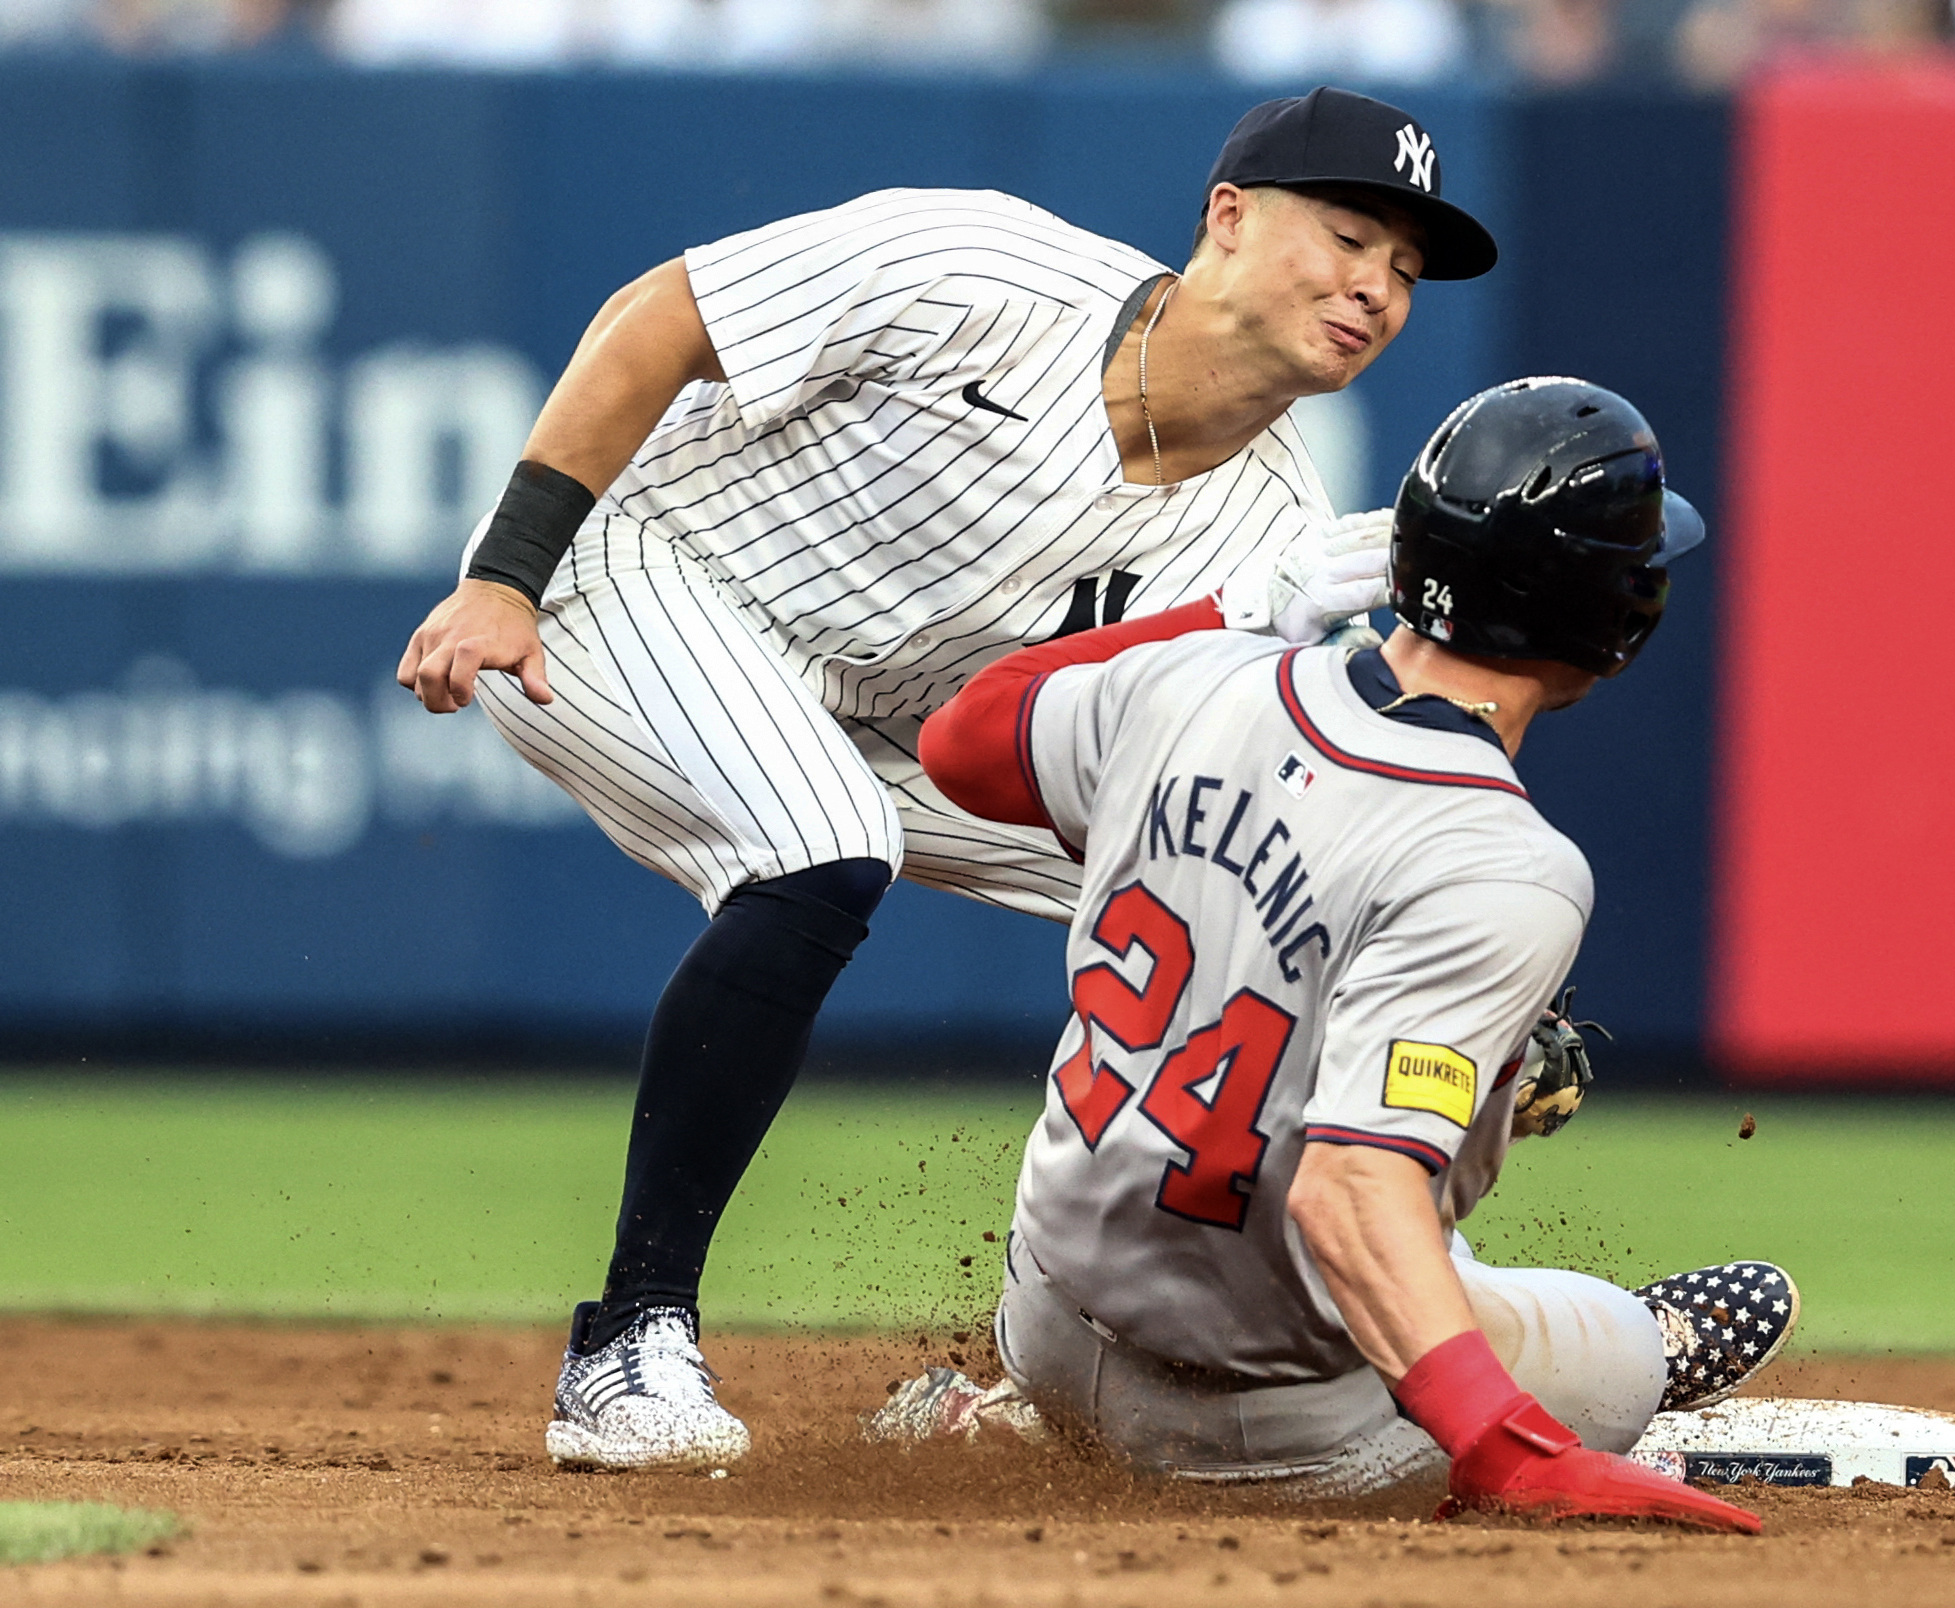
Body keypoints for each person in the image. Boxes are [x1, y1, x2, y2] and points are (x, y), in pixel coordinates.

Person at [393, 85, 1497, 1472]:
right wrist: (506, 576)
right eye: (1347, 235)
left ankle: (1105, 1360)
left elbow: (1168, 763)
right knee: (820, 846)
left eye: (1402, 270)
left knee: (1248, 903)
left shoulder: (1275, 522)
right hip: (636, 578)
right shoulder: (987, 269)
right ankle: (628, 1337)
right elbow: (661, 315)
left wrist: (1406, 932)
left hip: (904, 721)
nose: (1374, 287)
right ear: (1227, 218)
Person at [911, 377, 1793, 1525]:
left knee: (1393, 1165)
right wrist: (1496, 1442)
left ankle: (1009, 1413)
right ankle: (1642, 1354)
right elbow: (1348, 1189)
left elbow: (959, 744)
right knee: (1607, 1351)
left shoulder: (1194, 683)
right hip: (1263, 1434)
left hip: (1043, 1321)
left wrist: (1214, 614)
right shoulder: (1506, 865)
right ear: (1618, 621)